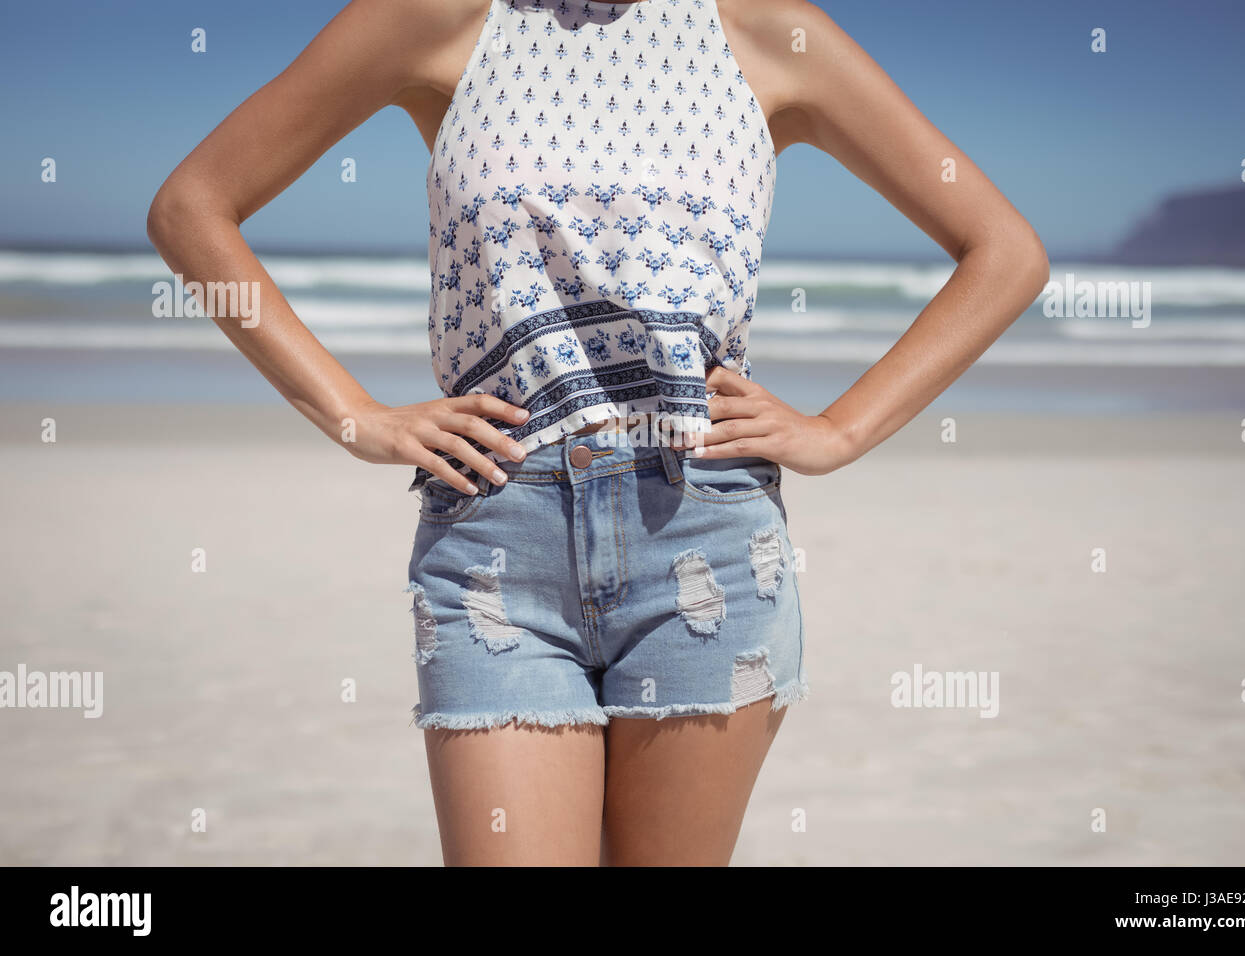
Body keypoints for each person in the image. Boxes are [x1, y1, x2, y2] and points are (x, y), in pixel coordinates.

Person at [147, 0, 1049, 865]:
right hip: (498, 537)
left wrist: (840, 431)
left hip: (705, 538)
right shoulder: (441, 17)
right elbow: (194, 206)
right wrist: (356, 417)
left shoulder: (774, 34)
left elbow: (1004, 252)